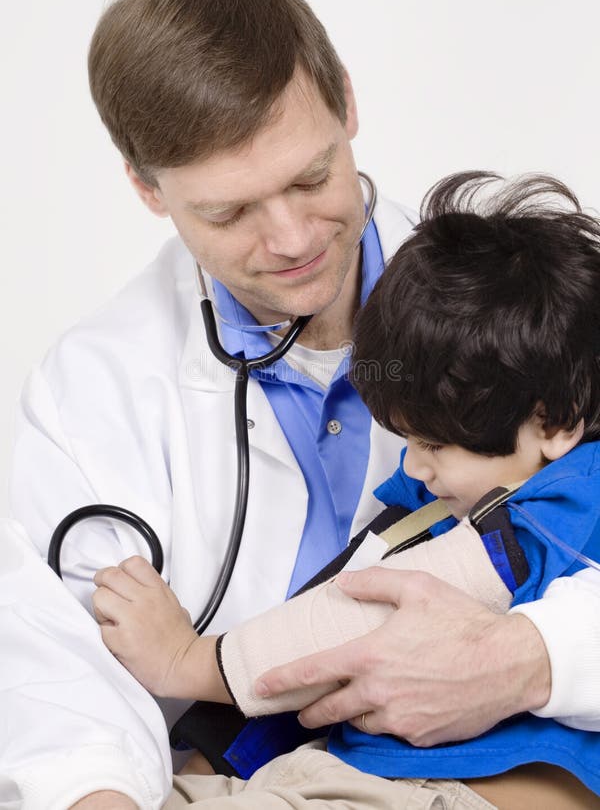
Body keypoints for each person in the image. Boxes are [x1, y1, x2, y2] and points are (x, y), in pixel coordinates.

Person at [0, 0, 598, 809]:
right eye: (229, 212)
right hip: (237, 766)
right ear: (148, 190)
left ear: (347, 102)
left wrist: (539, 660)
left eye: (312, 177)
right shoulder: (91, 390)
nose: (289, 238)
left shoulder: (516, 314)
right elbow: (62, 677)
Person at [91, 171, 600, 808]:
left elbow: (354, 622)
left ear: (553, 422)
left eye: (435, 446)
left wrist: (186, 660)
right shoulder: (448, 502)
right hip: (343, 767)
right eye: (407, 440)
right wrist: (213, 760)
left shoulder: (570, 504)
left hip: (444, 788)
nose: (413, 467)